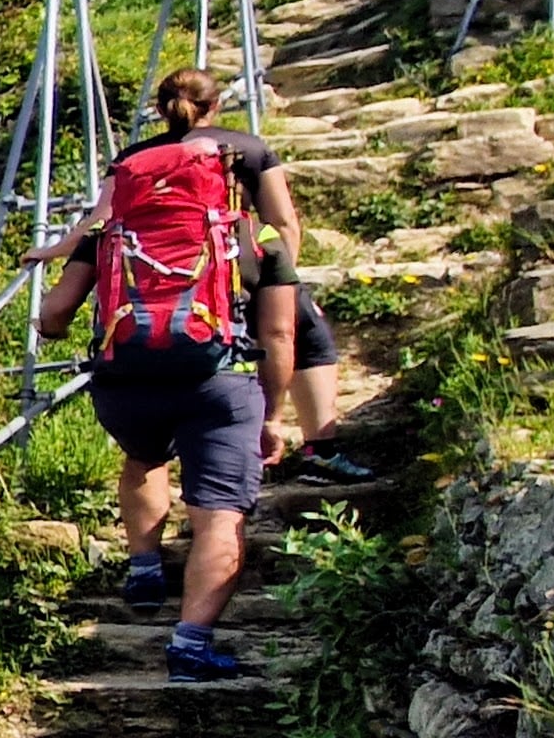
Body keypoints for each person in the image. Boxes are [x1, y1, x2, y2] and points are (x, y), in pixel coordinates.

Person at [36, 67, 303, 682]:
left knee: (144, 457)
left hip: (124, 378)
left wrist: (55, 323)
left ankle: (145, 567)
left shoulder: (111, 236)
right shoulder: (251, 243)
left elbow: (54, 316)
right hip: (219, 381)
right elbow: (280, 335)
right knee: (218, 515)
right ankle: (189, 646)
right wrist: (275, 415)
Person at [254, 236, 373, 484]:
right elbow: (283, 219)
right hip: (238, 242)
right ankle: (319, 454)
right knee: (308, 335)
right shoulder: (256, 229)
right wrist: (291, 287)